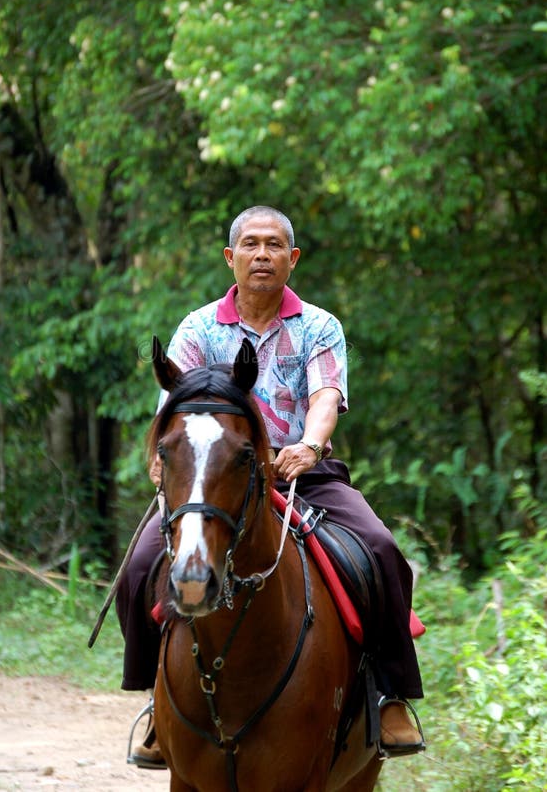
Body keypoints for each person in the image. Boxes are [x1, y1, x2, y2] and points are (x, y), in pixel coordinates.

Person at [116, 205, 425, 768]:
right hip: (213, 480)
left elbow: (326, 395)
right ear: (231, 258)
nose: (263, 255)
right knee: (138, 569)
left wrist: (308, 445)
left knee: (380, 551)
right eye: (252, 245)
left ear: (292, 258)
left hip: (301, 475)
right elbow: (172, 408)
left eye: (275, 245)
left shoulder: (319, 326)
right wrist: (162, 461)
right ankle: (154, 702)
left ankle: (391, 693)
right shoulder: (197, 328)